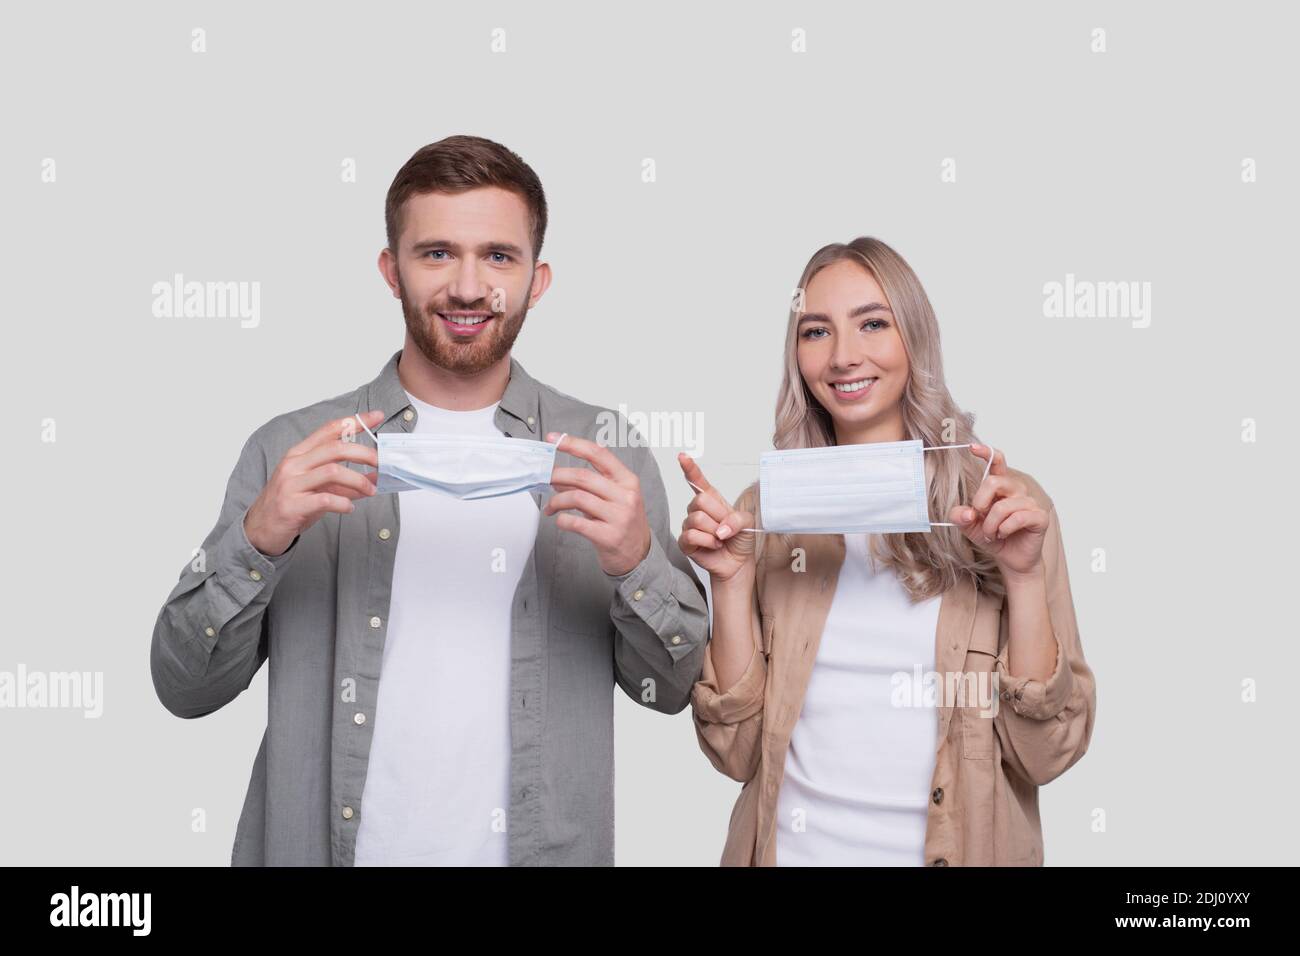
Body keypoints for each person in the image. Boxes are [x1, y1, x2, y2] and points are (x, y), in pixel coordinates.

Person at [150, 135, 709, 866]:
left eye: (498, 257)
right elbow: (185, 688)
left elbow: (669, 691)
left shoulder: (606, 449)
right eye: (437, 253)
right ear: (392, 270)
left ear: (538, 280)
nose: (470, 288)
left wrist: (638, 563)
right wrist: (258, 538)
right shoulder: (290, 449)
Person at [680, 237, 1095, 866]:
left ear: (916, 338)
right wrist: (730, 585)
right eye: (816, 331)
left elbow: (1045, 754)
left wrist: (1024, 577)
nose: (844, 357)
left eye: (873, 323)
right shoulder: (764, 515)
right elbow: (735, 754)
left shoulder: (1005, 507)